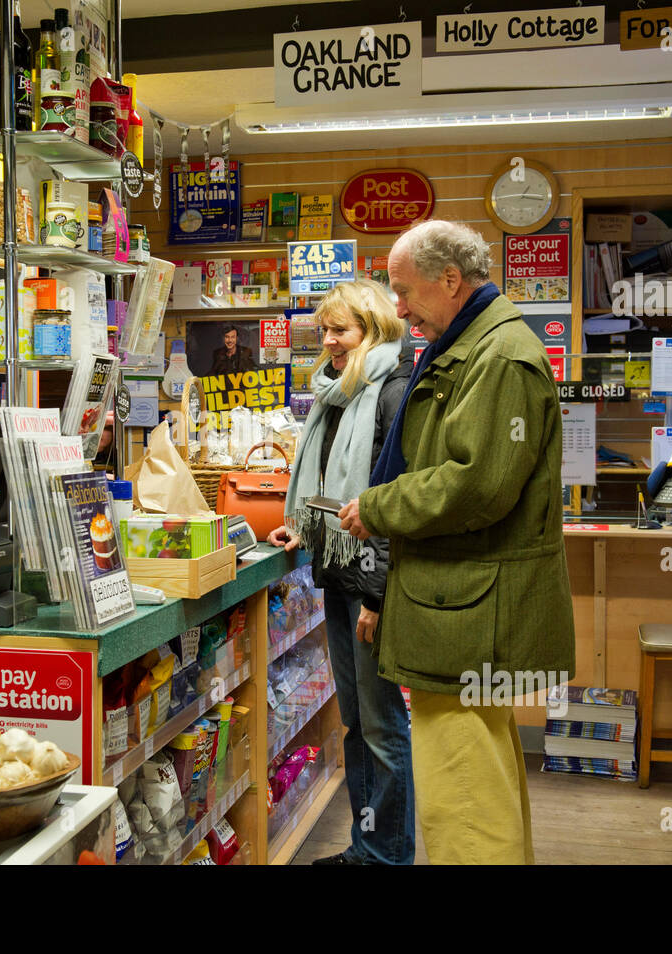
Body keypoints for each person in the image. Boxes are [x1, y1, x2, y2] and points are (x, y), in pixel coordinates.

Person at [338, 220, 576, 865]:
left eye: (404, 289)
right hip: (464, 606)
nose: (398, 306)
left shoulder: (496, 356)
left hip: (469, 611)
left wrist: (379, 505)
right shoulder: (478, 343)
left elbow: (479, 485)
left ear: (450, 280)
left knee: (462, 793)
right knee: (483, 775)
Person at [267, 278, 416, 865]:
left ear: (373, 330)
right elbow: (333, 487)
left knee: (381, 726)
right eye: (323, 330)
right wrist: (303, 528)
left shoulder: (389, 392)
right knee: (357, 722)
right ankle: (366, 848)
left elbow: (390, 501)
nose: (328, 340)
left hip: (372, 581)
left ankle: (388, 857)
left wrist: (378, 598)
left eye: (340, 330)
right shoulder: (336, 394)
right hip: (337, 570)